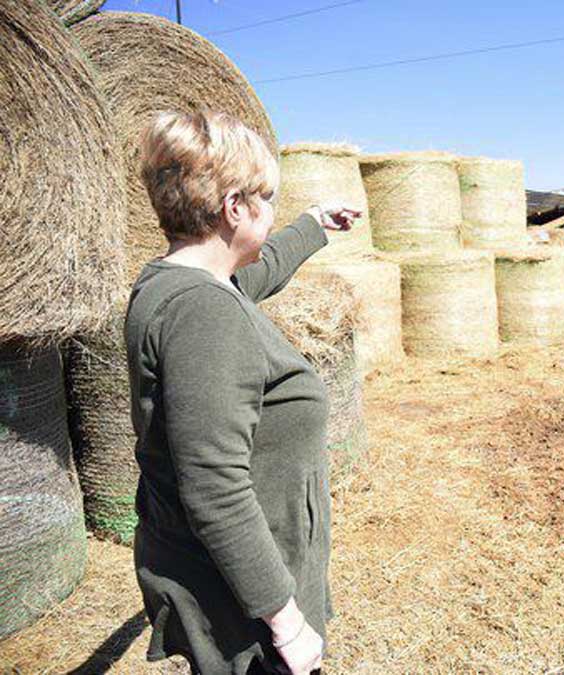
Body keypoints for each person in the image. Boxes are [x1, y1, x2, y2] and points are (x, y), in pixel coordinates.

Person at [124, 108, 361, 675]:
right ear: (235, 207)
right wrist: (285, 620)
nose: (272, 211)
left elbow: (254, 273)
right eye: (268, 199)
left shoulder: (179, 284)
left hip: (235, 578)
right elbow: (215, 488)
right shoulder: (202, 313)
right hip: (243, 604)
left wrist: (313, 225)